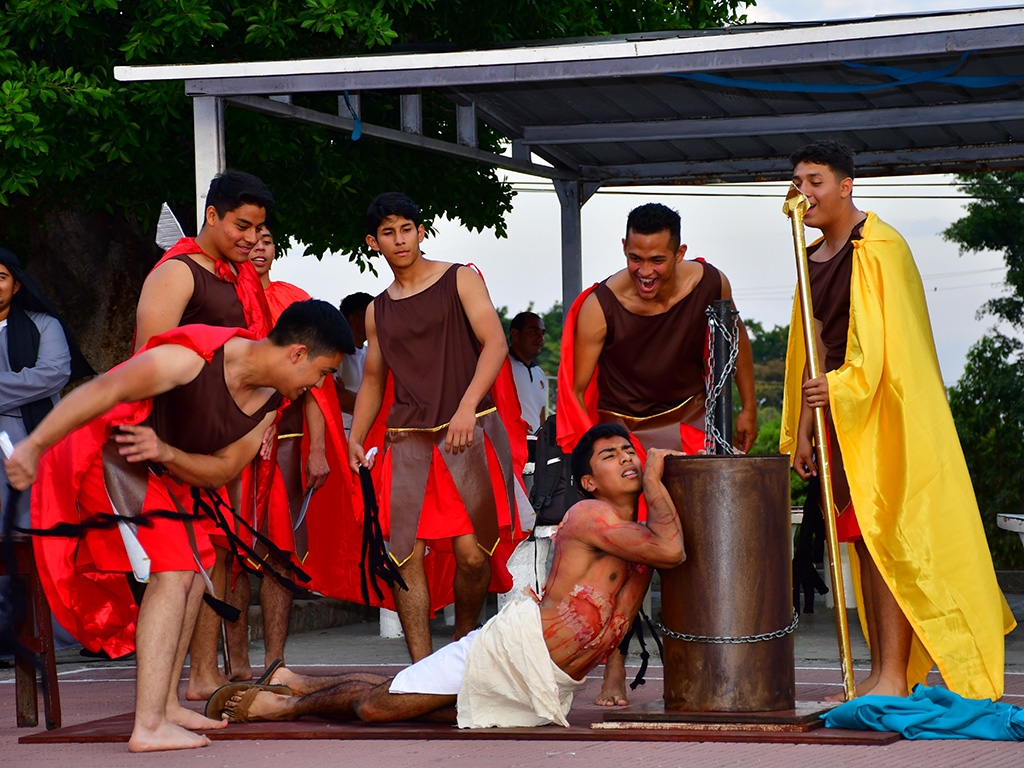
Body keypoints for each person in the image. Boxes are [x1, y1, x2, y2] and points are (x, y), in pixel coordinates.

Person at [4, 300, 351, 751]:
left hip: (158, 469)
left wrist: (168, 454)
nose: (319, 385)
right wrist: (33, 446)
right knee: (173, 567)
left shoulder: (269, 406)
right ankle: (148, 725)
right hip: (109, 451)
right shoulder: (193, 357)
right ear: (298, 354)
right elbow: (103, 390)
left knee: (199, 560)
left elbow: (222, 469)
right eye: (323, 373)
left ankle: (165, 706)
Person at [210, 424, 684, 728]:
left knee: (416, 699)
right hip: (510, 650)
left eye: (629, 450)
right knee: (377, 707)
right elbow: (672, 548)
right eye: (610, 456)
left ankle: (293, 681)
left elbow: (669, 548)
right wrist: (656, 481)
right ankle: (285, 705)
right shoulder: (589, 516)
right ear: (588, 482)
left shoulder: (638, 537)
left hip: (544, 684)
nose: (627, 458)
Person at [781, 141, 1015, 700]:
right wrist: (805, 429)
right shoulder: (809, 257)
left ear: (846, 186)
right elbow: (810, 347)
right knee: (864, 544)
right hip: (839, 420)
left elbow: (892, 349)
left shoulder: (882, 247)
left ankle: (890, 675)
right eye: (797, 182)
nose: (803, 193)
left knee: (889, 541)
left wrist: (840, 387)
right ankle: (884, 672)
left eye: (815, 181)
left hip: (885, 420)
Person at [555, 201, 757, 706]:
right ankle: (613, 668)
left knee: (705, 539)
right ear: (624, 248)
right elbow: (577, 391)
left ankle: (712, 659)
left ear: (679, 252)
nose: (645, 271)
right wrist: (597, 460)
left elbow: (736, 342)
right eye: (635, 258)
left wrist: (749, 407)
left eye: (658, 260)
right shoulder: (601, 305)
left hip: (690, 425)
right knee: (628, 552)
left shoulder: (711, 283)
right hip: (626, 435)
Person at [347, 192, 527, 663]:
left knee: (473, 555)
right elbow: (373, 380)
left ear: (421, 231)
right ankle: (421, 670)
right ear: (373, 242)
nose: (400, 239)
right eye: (388, 232)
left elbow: (495, 343)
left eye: (407, 229)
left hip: (466, 436)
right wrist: (355, 438)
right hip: (407, 442)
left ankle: (461, 647)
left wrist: (467, 406)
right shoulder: (378, 310)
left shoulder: (459, 279)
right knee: (404, 557)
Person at [134, 170, 277, 699]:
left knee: (202, 565)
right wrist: (164, 447)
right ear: (211, 215)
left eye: (259, 228)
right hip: (169, 447)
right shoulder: (178, 273)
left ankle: (184, 691)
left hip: (209, 442)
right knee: (176, 573)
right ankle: (159, 707)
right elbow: (146, 365)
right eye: (241, 226)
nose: (251, 238)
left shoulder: (232, 275)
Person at [220, 228, 344, 678]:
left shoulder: (295, 301)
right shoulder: (224, 298)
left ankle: (275, 662)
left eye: (267, 240)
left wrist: (317, 449)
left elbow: (316, 386)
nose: (259, 247)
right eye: (250, 239)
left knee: (279, 555)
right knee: (229, 553)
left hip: (287, 445)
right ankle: (237, 664)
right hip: (233, 441)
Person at [0, 248, 93, 529]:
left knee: (29, 527)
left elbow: (53, 373)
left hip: (28, 439)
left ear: (16, 285)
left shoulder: (44, 326)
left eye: (1, 277)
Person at [335, 292, 374, 434]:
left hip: (368, 435)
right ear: (354, 319)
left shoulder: (372, 355)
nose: (376, 321)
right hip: (343, 434)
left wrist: (352, 398)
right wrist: (372, 403)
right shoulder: (335, 355)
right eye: (370, 315)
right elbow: (336, 397)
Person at [507, 311, 547, 434]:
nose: (540, 338)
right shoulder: (500, 366)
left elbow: (541, 416)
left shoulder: (539, 373)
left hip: (533, 443)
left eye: (542, 333)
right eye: (534, 331)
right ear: (515, 333)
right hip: (507, 442)